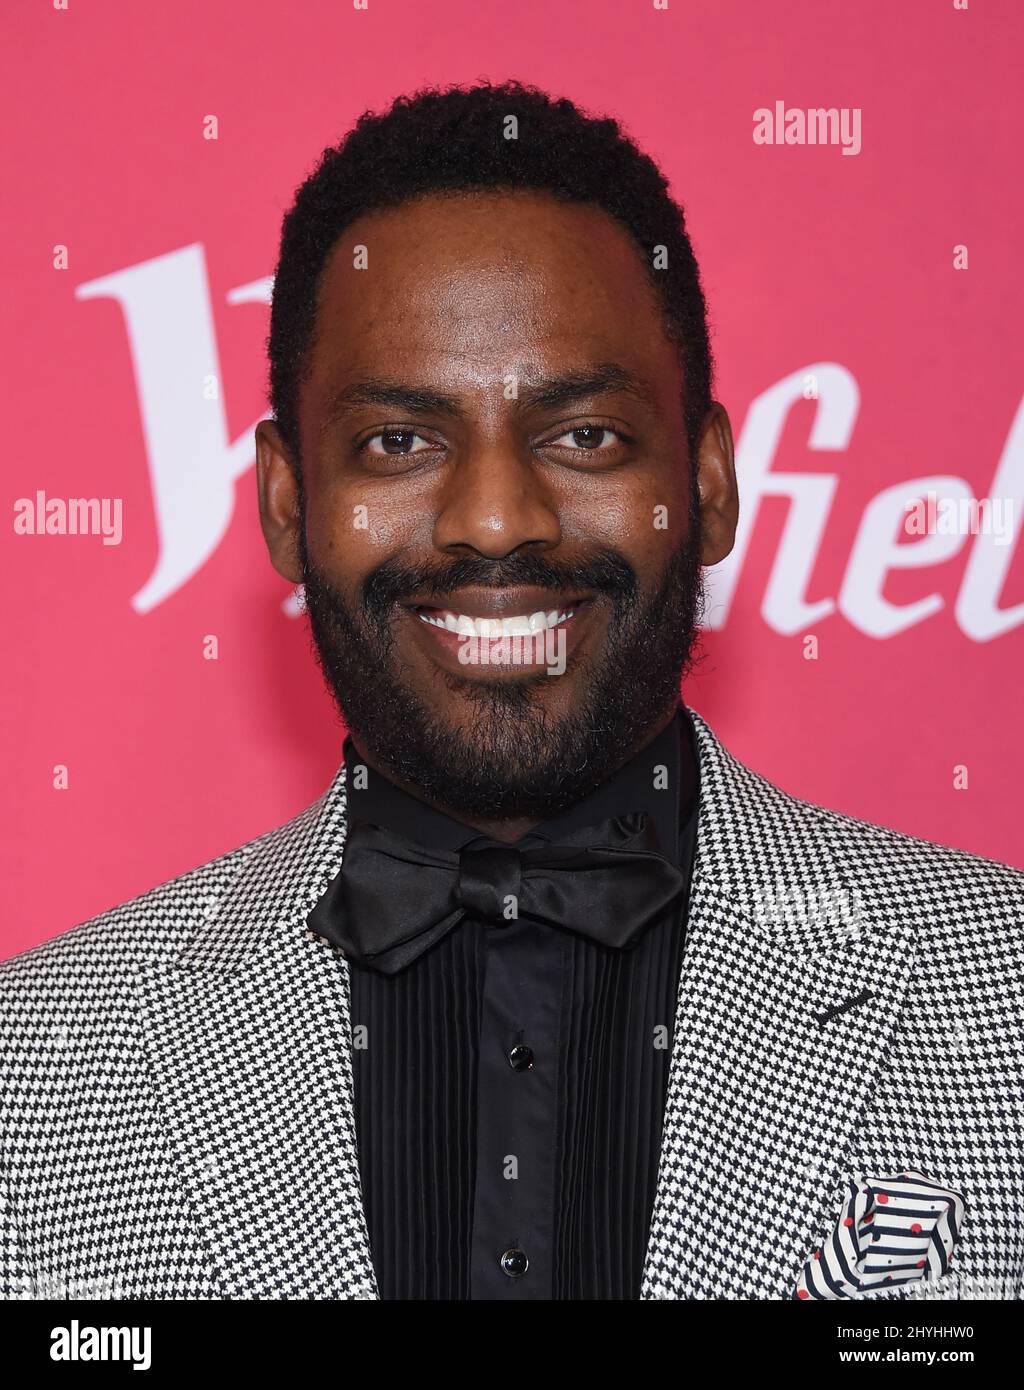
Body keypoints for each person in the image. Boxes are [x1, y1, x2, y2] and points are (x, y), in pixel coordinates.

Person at [1, 83, 1021, 1303]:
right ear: (286, 502)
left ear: (705, 481)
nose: (495, 520)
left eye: (582, 435)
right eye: (398, 441)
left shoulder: (997, 994)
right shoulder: (39, 1062)